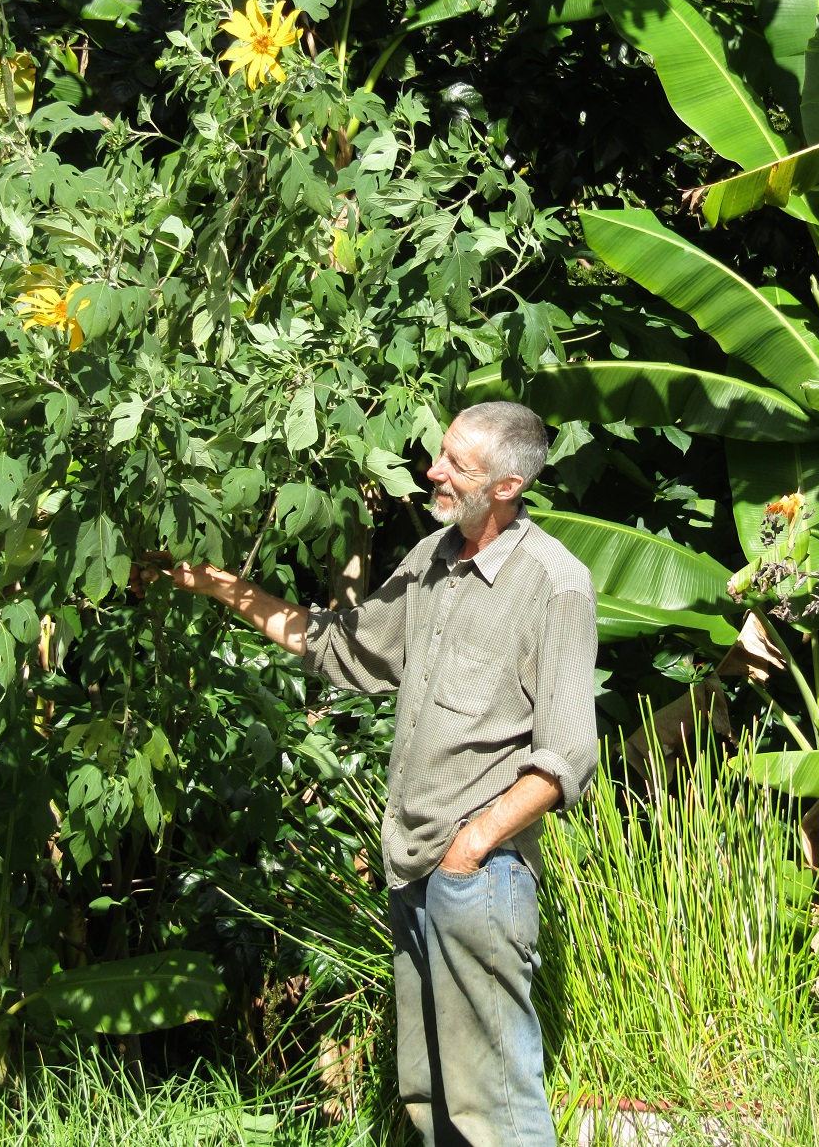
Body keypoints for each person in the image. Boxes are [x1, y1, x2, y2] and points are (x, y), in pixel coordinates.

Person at [133, 401, 598, 1146]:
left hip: (477, 876)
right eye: (441, 454)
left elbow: (569, 752)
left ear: (508, 485)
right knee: (428, 1094)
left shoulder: (554, 582)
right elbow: (338, 646)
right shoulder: (431, 560)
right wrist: (220, 584)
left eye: (457, 466)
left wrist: (472, 843)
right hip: (412, 866)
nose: (433, 472)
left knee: (495, 1105)